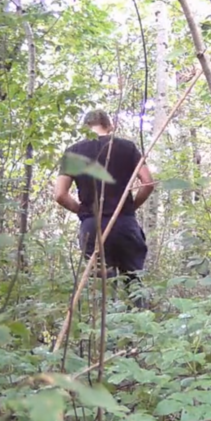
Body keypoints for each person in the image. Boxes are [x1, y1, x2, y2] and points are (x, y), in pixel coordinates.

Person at [54, 110, 155, 307]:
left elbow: (60, 194)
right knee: (134, 284)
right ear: (110, 126)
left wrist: (83, 212)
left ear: (85, 128)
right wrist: (130, 208)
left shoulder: (74, 152)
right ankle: (140, 323)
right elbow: (148, 183)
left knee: (103, 290)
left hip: (93, 226)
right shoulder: (127, 147)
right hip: (125, 224)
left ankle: (107, 325)